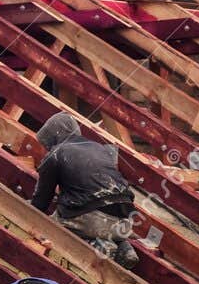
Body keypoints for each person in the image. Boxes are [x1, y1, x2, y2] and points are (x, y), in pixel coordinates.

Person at [31, 112, 139, 266]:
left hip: (93, 222)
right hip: (126, 220)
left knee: (53, 225)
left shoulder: (55, 154)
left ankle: (102, 247)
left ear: (51, 136)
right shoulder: (99, 148)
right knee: (98, 211)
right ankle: (123, 246)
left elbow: (41, 202)